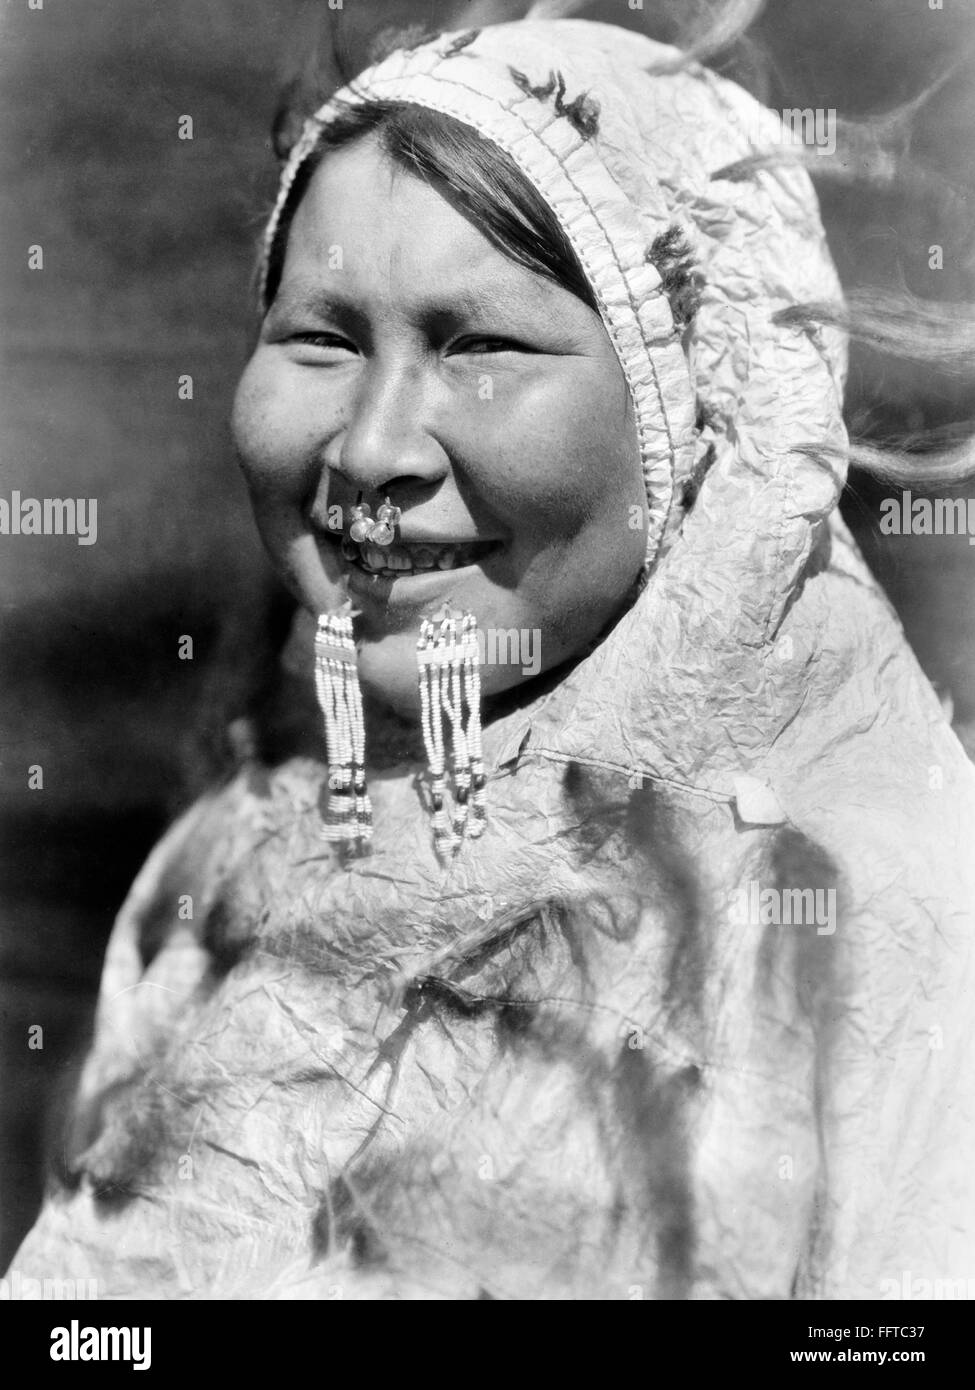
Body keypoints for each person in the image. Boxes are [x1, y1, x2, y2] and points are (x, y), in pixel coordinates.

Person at [11, 12, 975, 1300]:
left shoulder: (870, 937)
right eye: (322, 339)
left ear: (694, 407)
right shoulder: (232, 854)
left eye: (482, 345)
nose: (369, 452)